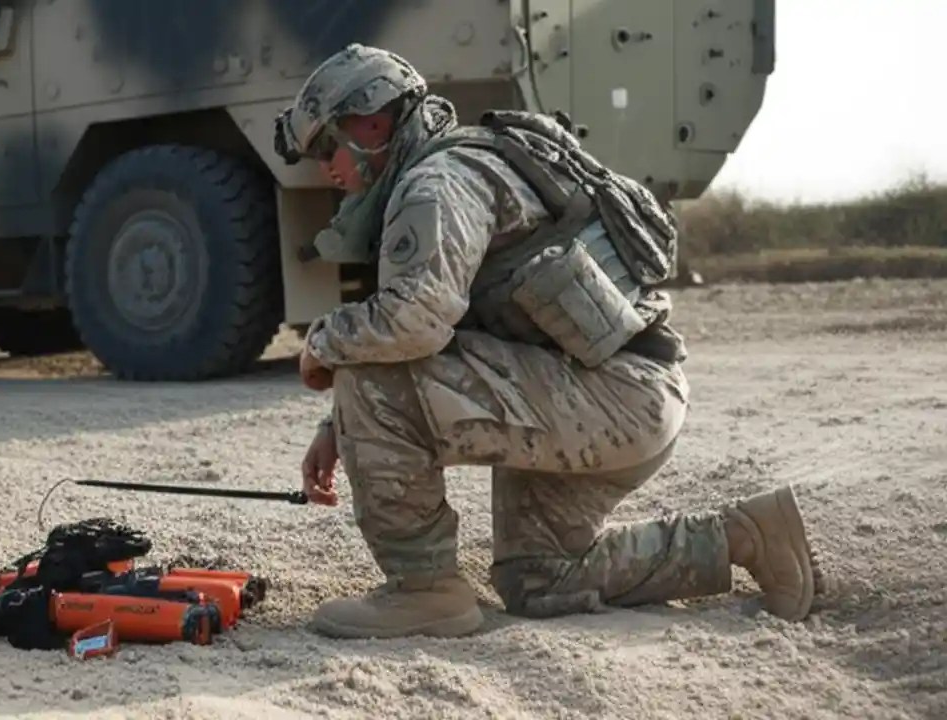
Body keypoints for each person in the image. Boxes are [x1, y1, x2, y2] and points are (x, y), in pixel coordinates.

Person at [271, 44, 822, 639]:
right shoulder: (468, 165)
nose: (325, 169)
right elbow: (436, 329)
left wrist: (323, 344)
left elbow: (415, 320)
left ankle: (423, 590)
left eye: (327, 147)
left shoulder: (436, 183)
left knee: (361, 369)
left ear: (372, 123)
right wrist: (337, 428)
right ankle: (745, 536)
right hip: (616, 392)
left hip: (607, 397)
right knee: (540, 579)